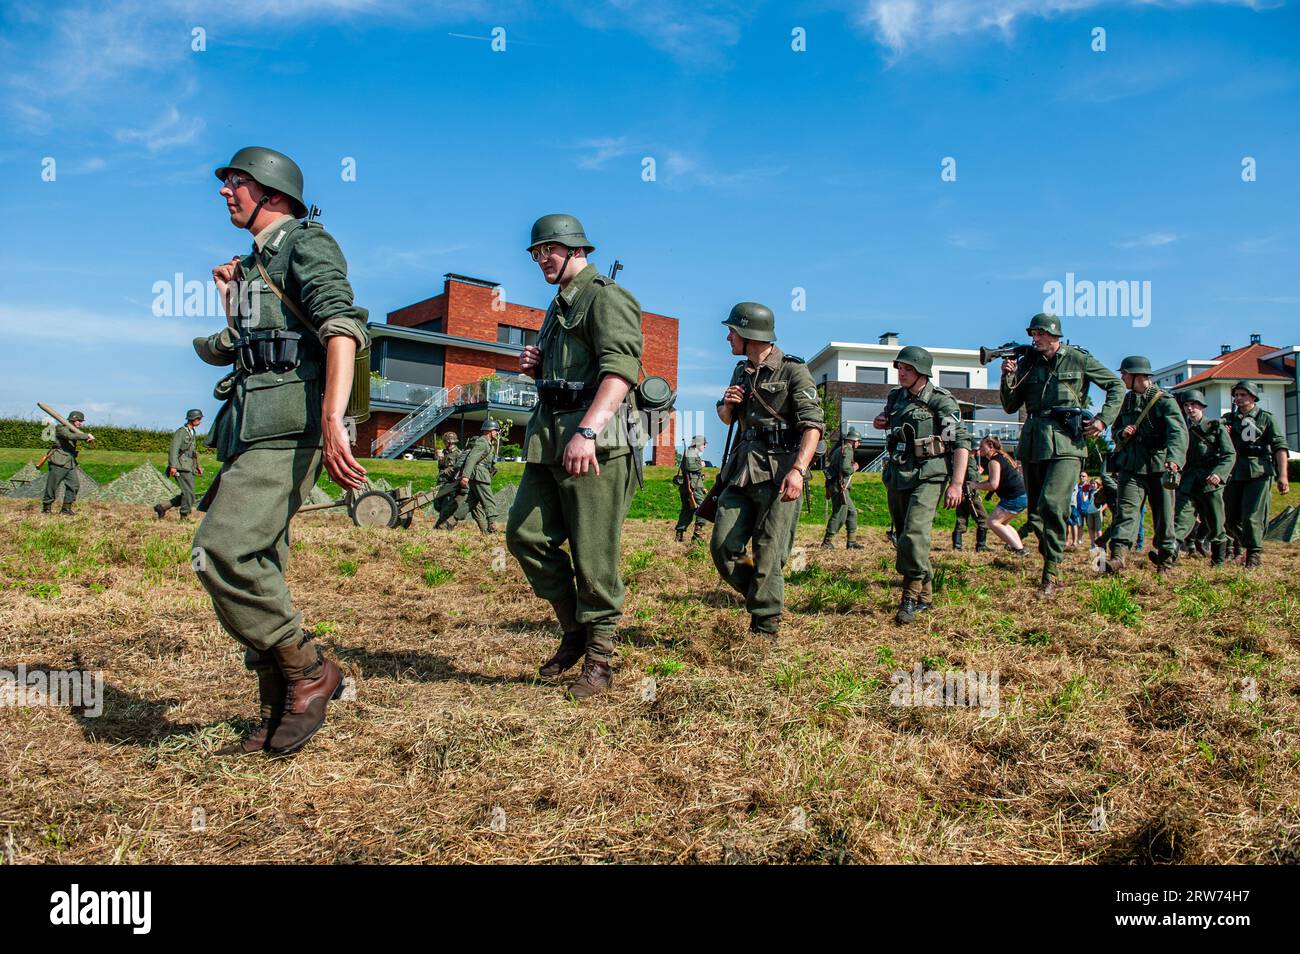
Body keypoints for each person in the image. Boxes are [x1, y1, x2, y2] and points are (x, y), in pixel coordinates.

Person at [194, 147, 369, 755]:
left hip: (290, 427)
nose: (225, 192)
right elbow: (246, 344)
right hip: (249, 427)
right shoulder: (252, 262)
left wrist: (333, 420)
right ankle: (275, 704)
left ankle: (309, 670)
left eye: (235, 182)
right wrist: (230, 293)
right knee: (260, 562)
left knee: (222, 551)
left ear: (271, 190)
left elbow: (341, 328)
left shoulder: (306, 242)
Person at [506, 214, 644, 700]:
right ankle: (576, 629)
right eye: (535, 250)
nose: (540, 257)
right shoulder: (557, 305)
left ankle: (601, 661)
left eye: (548, 248)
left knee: (593, 554)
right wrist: (537, 367)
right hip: (549, 437)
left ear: (575, 250)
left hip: (594, 444)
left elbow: (620, 371)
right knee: (524, 534)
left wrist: (588, 430)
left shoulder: (606, 296)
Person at [710, 302, 824, 638]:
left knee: (768, 551)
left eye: (733, 331)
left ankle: (765, 623)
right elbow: (728, 419)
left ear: (750, 335)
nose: (728, 337)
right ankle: (763, 594)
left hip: (780, 469)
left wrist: (799, 470)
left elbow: (813, 425)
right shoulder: (740, 371)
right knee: (722, 546)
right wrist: (727, 405)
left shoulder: (793, 371)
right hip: (742, 468)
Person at [999, 313, 1124, 597]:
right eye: (1033, 333)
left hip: (1067, 443)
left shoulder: (1078, 359)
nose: (1035, 338)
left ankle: (1050, 574)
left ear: (1055, 334)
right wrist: (1008, 377)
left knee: (1053, 505)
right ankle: (1051, 556)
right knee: (1037, 513)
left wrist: (1104, 419)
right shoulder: (1027, 363)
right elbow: (1010, 406)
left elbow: (1116, 385)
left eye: (1041, 333)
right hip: (1033, 443)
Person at [873, 346, 969, 624]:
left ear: (922, 372)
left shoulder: (942, 402)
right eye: (899, 368)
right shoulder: (896, 397)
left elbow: (960, 442)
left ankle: (909, 599)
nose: (901, 374)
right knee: (904, 538)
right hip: (898, 472)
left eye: (908, 369)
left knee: (915, 535)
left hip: (929, 474)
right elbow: (888, 421)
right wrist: (881, 422)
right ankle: (926, 595)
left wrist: (957, 483)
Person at [1105, 356, 1188, 576]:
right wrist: (1122, 433)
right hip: (1131, 465)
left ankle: (1165, 561)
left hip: (1160, 466)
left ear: (1138, 375)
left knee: (1164, 515)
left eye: (1124, 374)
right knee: (1126, 511)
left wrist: (1174, 460)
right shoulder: (1127, 401)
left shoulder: (1164, 400)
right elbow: (1114, 431)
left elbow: (1178, 433)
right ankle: (1118, 557)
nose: (1121, 377)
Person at [1222, 380, 1291, 568]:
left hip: (1258, 471)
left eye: (1242, 395)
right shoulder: (1228, 420)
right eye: (1236, 395)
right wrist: (1223, 434)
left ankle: (1253, 554)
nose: (1238, 398)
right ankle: (1246, 544)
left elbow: (1280, 447)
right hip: (1234, 472)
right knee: (1229, 517)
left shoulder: (1266, 418)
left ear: (1252, 397)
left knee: (1252, 515)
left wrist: (1283, 476)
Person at [1172, 389, 1236, 567]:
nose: (1190, 409)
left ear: (1201, 407)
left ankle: (1218, 562)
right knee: (1182, 518)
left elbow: (1229, 454)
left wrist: (1219, 473)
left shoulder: (1215, 427)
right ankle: (1169, 556)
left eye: (1193, 405)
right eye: (1186, 405)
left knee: (1215, 523)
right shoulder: (1181, 429)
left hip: (1210, 482)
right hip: (1189, 481)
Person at [971, 436, 1028, 556]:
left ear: (990, 446)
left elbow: (993, 485)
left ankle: (1019, 549)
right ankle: (1019, 547)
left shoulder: (994, 461)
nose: (979, 449)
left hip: (1014, 497)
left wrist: (975, 485)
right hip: (1022, 495)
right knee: (1003, 523)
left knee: (993, 522)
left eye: (982, 446)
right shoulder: (1001, 457)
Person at [42, 410, 94, 515]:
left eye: (81, 421)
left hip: (70, 463)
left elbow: (75, 435)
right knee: (52, 486)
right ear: (73, 420)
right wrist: (86, 435)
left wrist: (85, 438)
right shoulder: (61, 428)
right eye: (78, 420)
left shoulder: (73, 430)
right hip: (58, 461)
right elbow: (70, 436)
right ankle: (46, 508)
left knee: (74, 485)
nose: (80, 423)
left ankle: (66, 509)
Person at [155, 409, 204, 521]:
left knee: (189, 494)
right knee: (188, 494)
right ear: (192, 419)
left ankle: (162, 507)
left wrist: (197, 467)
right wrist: (173, 466)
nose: (200, 421)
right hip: (180, 467)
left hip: (189, 467)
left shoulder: (192, 432)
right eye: (198, 419)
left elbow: (193, 453)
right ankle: (184, 517)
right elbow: (174, 450)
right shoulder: (181, 432)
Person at [822, 428, 864, 550]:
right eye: (858, 441)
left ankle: (851, 542)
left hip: (837, 486)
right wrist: (854, 468)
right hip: (839, 487)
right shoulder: (848, 450)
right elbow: (846, 469)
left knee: (852, 512)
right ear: (854, 441)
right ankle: (827, 542)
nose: (859, 444)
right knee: (839, 514)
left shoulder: (839, 450)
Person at [951, 433, 989, 552]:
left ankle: (957, 546)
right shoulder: (971, 460)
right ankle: (981, 546)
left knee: (961, 519)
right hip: (971, 494)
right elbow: (973, 477)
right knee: (983, 520)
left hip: (961, 493)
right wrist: (980, 473)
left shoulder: (961, 459)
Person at [674, 435, 708, 543]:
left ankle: (679, 536)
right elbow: (690, 467)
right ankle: (697, 537)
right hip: (692, 487)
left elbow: (691, 473)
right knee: (703, 509)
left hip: (692, 486)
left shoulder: (690, 452)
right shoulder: (692, 452)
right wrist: (701, 465)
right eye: (703, 444)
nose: (705, 446)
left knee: (687, 511)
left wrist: (702, 488)